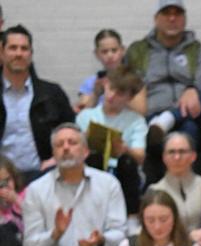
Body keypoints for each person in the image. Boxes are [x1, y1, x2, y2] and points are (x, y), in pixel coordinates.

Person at [132, 1, 201, 155]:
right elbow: (129, 85)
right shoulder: (139, 51)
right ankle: (168, 120)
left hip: (196, 114)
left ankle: (171, 117)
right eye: (167, 13)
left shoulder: (199, 50)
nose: (172, 18)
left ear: (184, 19)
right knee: (187, 128)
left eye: (177, 14)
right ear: (156, 19)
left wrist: (193, 89)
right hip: (154, 122)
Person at [0, 25, 74, 181]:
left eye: (24, 48)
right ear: (2, 52)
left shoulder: (52, 93)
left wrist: (55, 159)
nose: (19, 53)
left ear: (31, 54)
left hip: (43, 176)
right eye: (13, 48)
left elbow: (71, 130)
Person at [75, 66, 148, 217]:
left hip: (122, 170)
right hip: (95, 165)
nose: (112, 95)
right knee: (94, 158)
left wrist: (125, 149)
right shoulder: (86, 116)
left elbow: (140, 157)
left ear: (129, 97)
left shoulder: (136, 121)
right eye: (111, 88)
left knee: (127, 162)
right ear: (106, 84)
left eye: (120, 93)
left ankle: (131, 215)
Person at [148, 131, 201, 246]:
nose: (177, 157)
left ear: (193, 156)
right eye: (171, 152)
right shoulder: (154, 190)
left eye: (182, 152)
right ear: (164, 157)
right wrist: (187, 238)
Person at [77, 30, 141, 113]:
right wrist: (95, 94)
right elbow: (83, 116)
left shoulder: (134, 79)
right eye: (104, 52)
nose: (110, 55)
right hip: (98, 125)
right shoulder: (91, 82)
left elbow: (140, 111)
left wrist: (121, 89)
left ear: (123, 50)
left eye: (114, 50)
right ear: (97, 54)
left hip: (126, 124)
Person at [0, 154, 27, 246]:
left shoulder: (26, 196)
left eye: (7, 181)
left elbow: (35, 220)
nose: (4, 188)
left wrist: (17, 201)